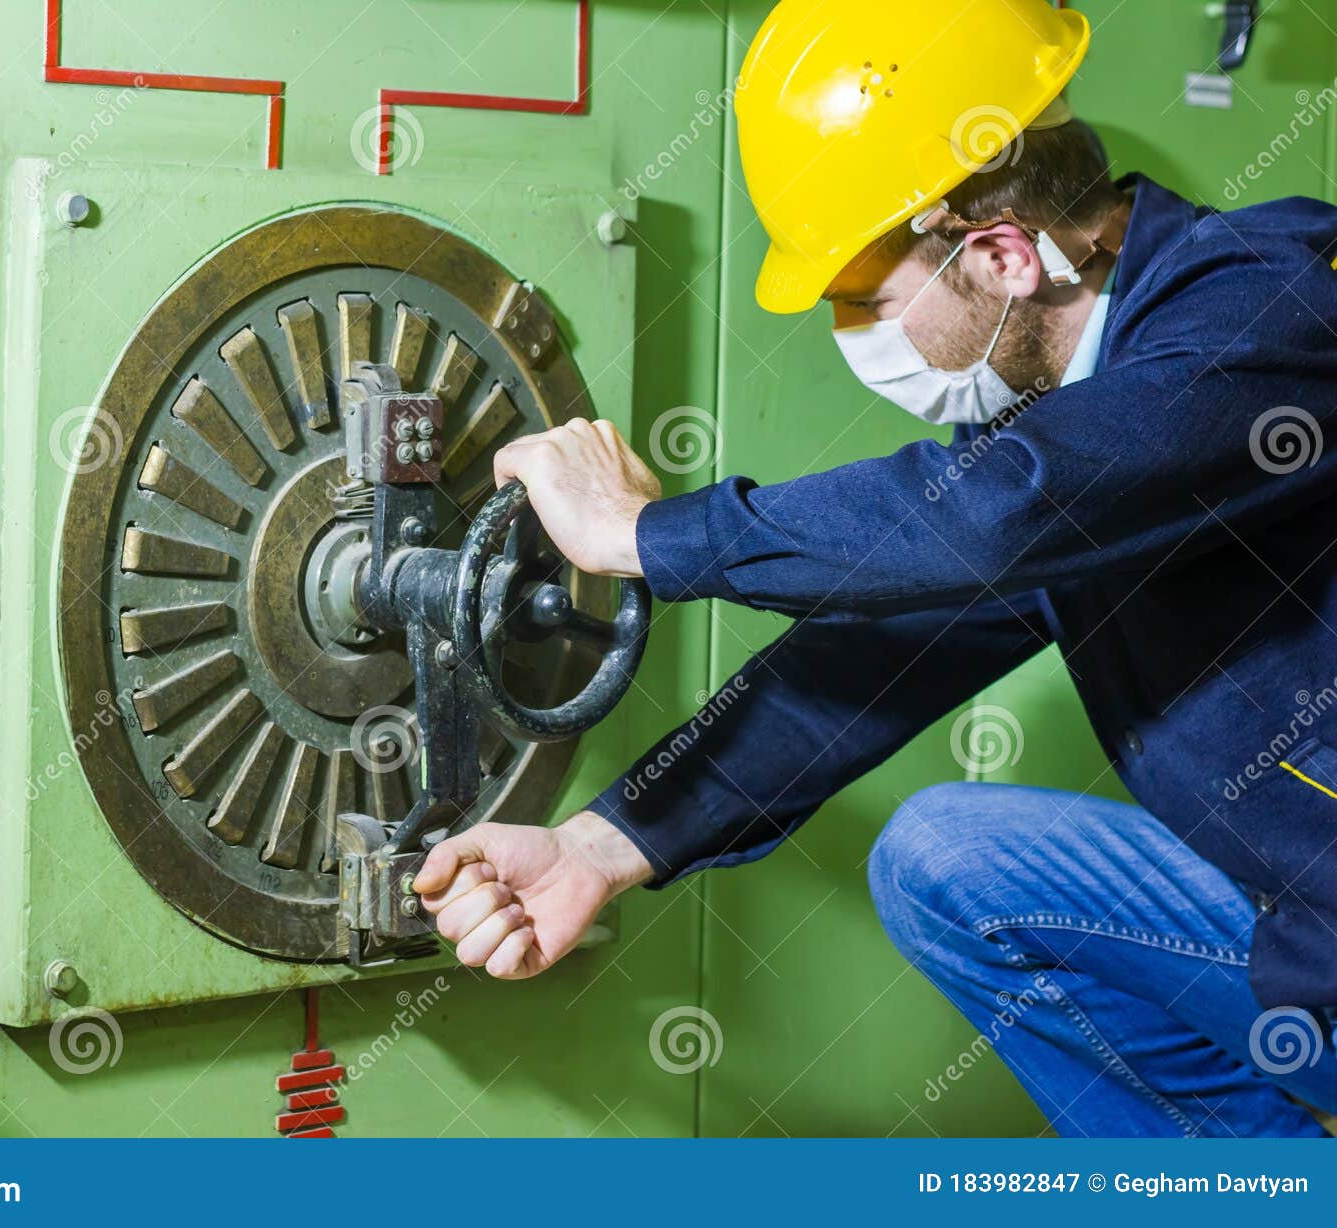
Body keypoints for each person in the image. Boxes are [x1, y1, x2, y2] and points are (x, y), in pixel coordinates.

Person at [411, 0, 1337, 1137]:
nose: (854, 337)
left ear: (997, 255)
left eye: (864, 300)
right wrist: (601, 845)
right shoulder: (1079, 413)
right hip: (1297, 914)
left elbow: (996, 518)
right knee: (945, 861)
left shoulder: (1268, 314)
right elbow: (885, 647)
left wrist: (645, 537)